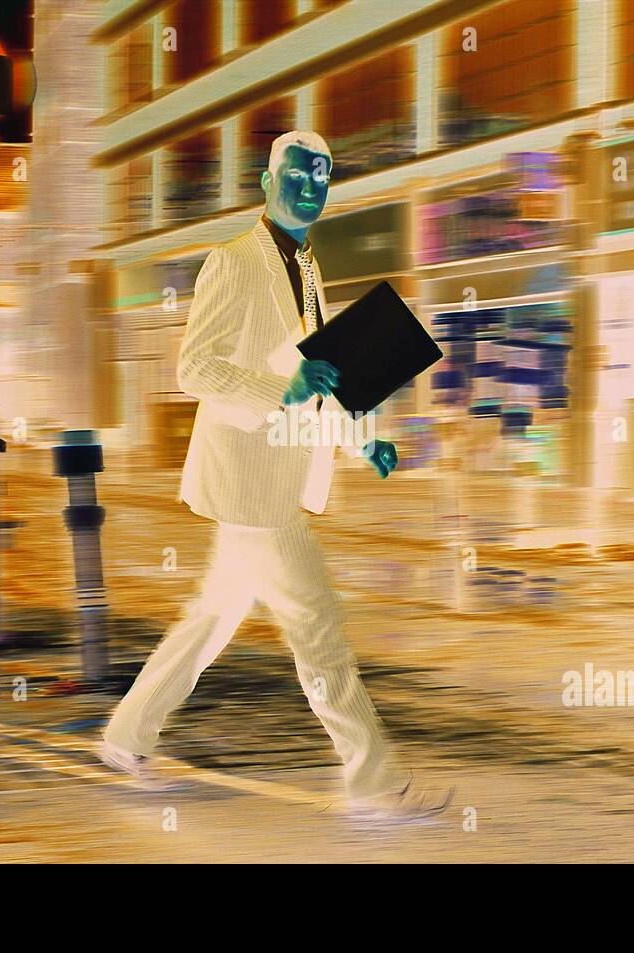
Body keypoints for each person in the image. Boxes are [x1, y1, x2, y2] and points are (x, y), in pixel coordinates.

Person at [98, 131, 452, 819]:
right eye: (297, 173)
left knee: (211, 617)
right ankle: (376, 783)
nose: (311, 185)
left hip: (274, 477)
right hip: (254, 484)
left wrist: (362, 439)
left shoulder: (309, 268)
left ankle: (124, 736)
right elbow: (195, 370)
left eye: (322, 173)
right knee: (318, 625)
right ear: (267, 182)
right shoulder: (234, 262)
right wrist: (282, 390)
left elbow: (321, 375)